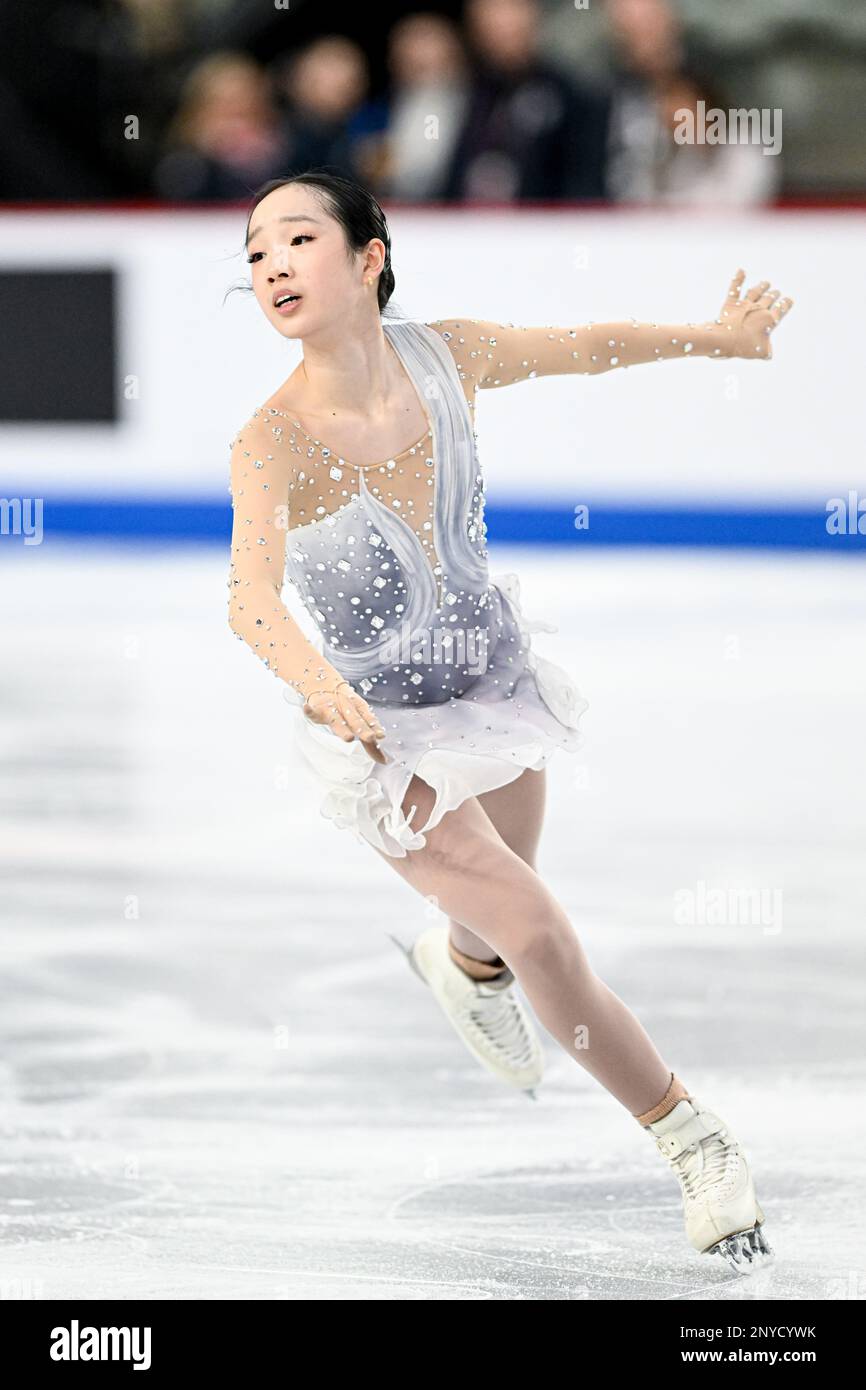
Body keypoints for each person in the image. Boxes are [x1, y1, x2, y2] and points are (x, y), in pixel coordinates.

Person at [226, 169, 793, 1272]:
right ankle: (693, 1139)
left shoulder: (450, 354)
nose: (273, 265)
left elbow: (584, 344)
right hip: (383, 737)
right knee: (536, 927)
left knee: (495, 927)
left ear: (368, 255)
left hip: (491, 681)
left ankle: (463, 970)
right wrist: (313, 679)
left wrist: (716, 338)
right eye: (254, 255)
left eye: (297, 239)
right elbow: (249, 592)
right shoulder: (270, 442)